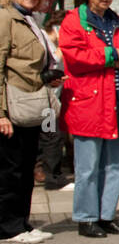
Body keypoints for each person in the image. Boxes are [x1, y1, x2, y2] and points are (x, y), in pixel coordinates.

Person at [58, 0, 119, 238]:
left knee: (116, 166)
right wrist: (112, 53)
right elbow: (75, 56)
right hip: (89, 104)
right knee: (88, 167)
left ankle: (107, 215)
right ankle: (86, 217)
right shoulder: (74, 21)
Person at [0, 0, 61, 242]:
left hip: (31, 103)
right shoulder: (5, 18)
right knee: (10, 169)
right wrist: (0, 114)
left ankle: (22, 223)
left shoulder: (31, 20)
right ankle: (8, 227)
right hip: (12, 106)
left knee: (25, 168)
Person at [37, 10, 73, 191]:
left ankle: (46, 172)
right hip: (44, 99)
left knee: (50, 135)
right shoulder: (44, 40)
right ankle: (53, 176)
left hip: (51, 99)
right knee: (52, 135)